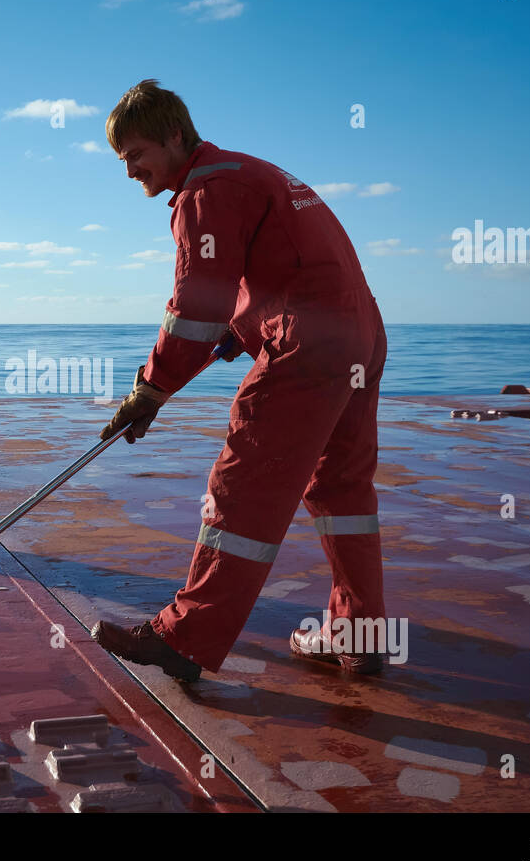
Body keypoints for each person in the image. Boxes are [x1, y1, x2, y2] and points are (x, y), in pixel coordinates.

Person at [92, 80, 389, 682]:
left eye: (136, 154)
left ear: (177, 136)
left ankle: (185, 638)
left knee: (242, 486)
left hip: (306, 347)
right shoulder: (247, 173)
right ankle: (360, 634)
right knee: (342, 491)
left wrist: (150, 389)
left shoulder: (208, 189)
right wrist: (239, 332)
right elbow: (281, 269)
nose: (129, 171)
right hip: (357, 336)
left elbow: (197, 305)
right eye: (121, 159)